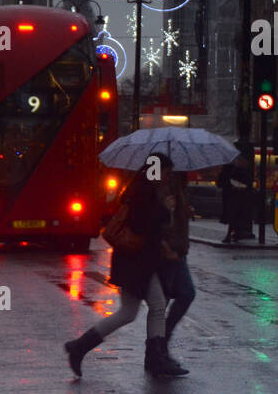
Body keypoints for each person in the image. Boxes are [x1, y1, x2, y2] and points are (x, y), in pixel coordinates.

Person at [64, 154, 187, 378]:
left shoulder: (143, 189)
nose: (169, 178)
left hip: (137, 261)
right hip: (136, 262)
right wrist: (165, 210)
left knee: (139, 310)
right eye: (167, 173)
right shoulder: (143, 192)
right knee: (138, 311)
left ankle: (82, 347)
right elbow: (141, 225)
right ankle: (81, 347)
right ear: (157, 171)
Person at [157, 166, 197, 372]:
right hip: (170, 254)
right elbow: (159, 222)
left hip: (178, 252)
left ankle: (160, 346)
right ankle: (158, 350)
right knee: (163, 302)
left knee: (183, 295)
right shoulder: (168, 187)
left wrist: (184, 211)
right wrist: (166, 246)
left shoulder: (179, 187)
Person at [217, 146, 254, 243]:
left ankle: (231, 234)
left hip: (231, 196)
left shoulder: (230, 169)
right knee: (234, 216)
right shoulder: (239, 169)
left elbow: (219, 183)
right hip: (236, 195)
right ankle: (234, 234)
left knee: (232, 216)